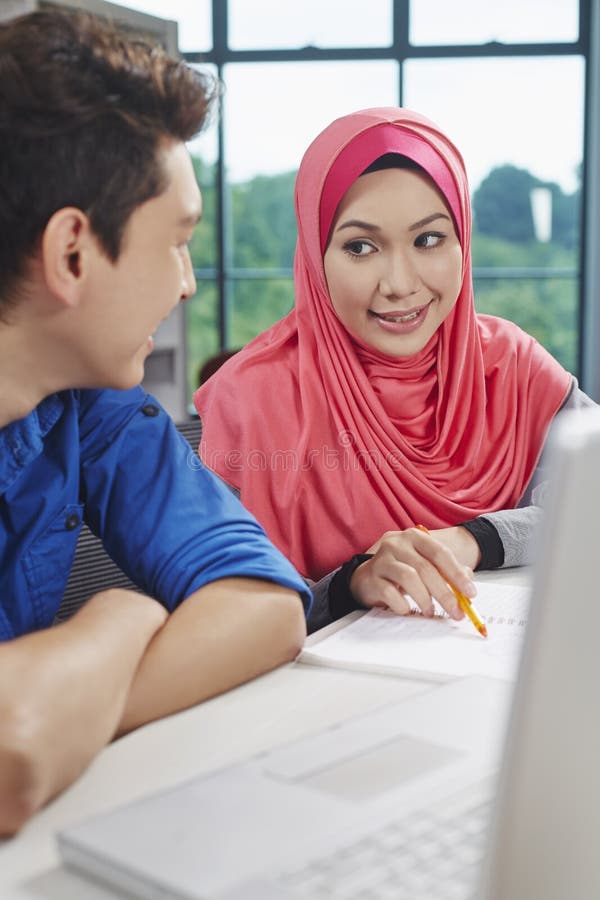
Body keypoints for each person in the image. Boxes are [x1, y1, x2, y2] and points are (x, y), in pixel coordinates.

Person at [0, 10, 311, 836]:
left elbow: (267, 604)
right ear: (73, 253)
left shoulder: (88, 402)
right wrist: (122, 616)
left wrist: (66, 703)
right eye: (176, 243)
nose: (187, 285)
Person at [195, 106, 595, 633]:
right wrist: (351, 582)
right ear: (316, 255)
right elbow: (215, 619)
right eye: (360, 247)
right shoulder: (251, 397)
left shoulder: (512, 365)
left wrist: (474, 538)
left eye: (429, 239)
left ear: (462, 243)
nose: (400, 283)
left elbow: (589, 501)